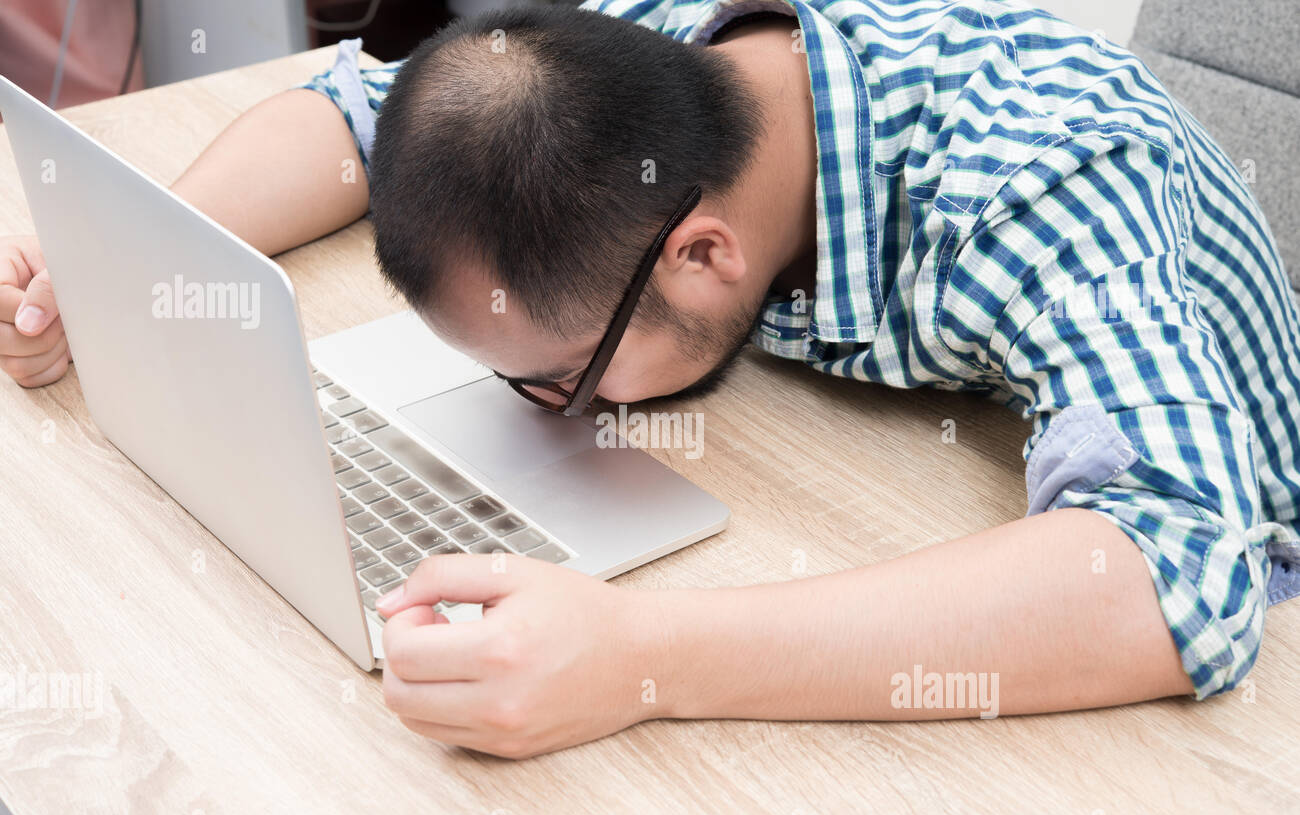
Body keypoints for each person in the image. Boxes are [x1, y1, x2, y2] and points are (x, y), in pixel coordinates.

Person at [3, 0, 1298, 759]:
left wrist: (639, 658)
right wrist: (122, 272)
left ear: (701, 252)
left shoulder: (1044, 176)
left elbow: (1170, 569)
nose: (547, 415)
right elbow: (359, 105)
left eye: (560, 378)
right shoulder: (648, 47)